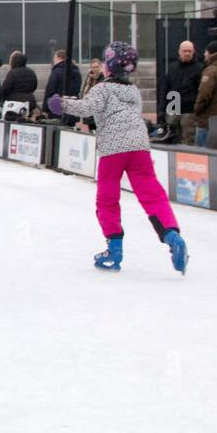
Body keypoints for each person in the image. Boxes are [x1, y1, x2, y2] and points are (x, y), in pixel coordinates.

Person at [50, 41, 188, 274]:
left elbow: (87, 108)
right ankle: (171, 234)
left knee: (108, 198)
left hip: (113, 149)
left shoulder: (102, 88)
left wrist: (61, 103)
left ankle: (114, 249)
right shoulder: (133, 91)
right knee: (152, 193)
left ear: (109, 67)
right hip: (139, 146)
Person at [161, 40, 201, 144]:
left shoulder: (199, 69)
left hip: (189, 110)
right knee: (170, 136)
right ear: (179, 52)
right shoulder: (172, 68)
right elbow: (165, 88)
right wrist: (162, 109)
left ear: (193, 52)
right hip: (173, 108)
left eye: (189, 51)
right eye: (184, 51)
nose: (187, 53)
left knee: (188, 139)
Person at [192, 40, 217, 147]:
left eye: (206, 52)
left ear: (210, 53)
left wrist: (197, 110)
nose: (204, 54)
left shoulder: (211, 71)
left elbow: (204, 95)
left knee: (202, 156)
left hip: (207, 121)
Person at [43, 49, 81, 125]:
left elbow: (50, 90)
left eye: (54, 58)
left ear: (59, 57)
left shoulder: (56, 72)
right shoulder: (76, 72)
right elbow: (77, 89)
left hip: (57, 109)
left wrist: (45, 109)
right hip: (72, 109)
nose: (54, 61)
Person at [0, 51, 38, 120]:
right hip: (30, 102)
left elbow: (5, 89)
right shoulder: (31, 72)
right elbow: (34, 86)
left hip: (15, 104)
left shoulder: (12, 73)